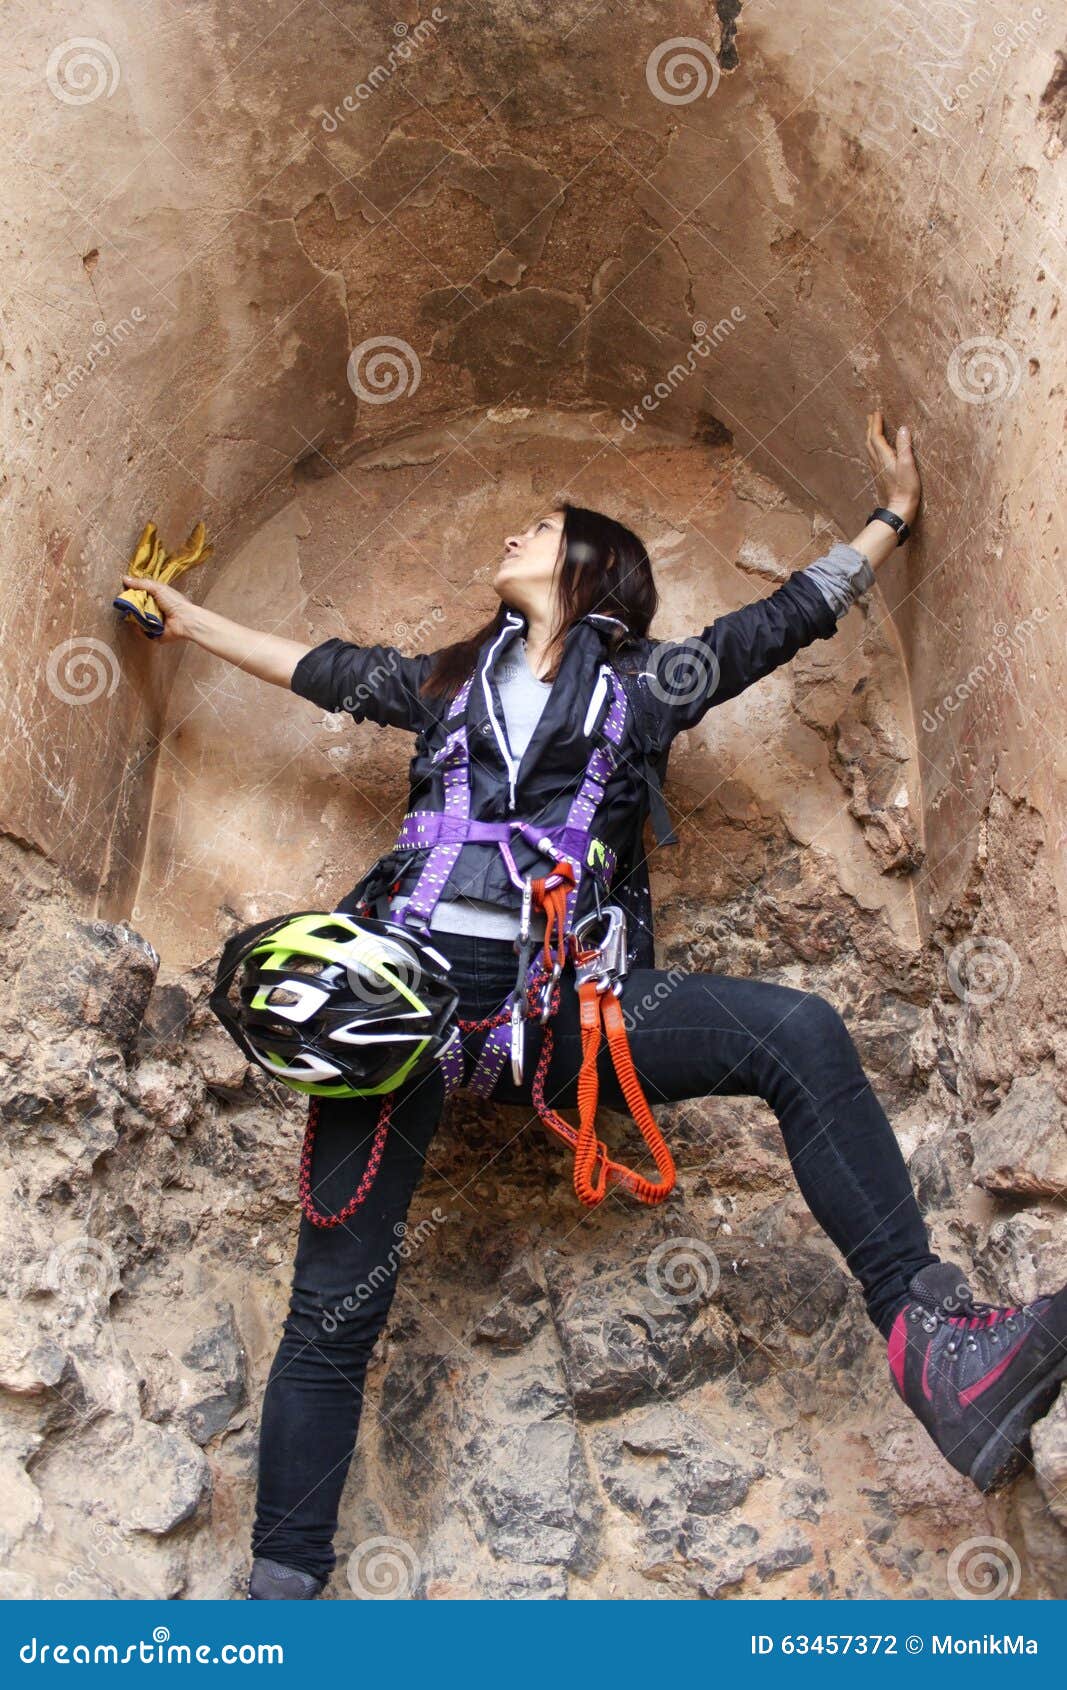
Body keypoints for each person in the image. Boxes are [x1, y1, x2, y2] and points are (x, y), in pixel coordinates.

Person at [123, 412, 1067, 1600]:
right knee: (329, 1310)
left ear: (587, 565)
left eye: (541, 525)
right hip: (398, 1014)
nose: (515, 532)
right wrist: (184, 614)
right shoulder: (443, 682)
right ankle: (280, 1601)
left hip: (569, 1015)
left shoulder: (645, 682)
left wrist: (888, 518)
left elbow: (775, 625)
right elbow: (317, 669)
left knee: (800, 1030)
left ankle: (936, 1344)